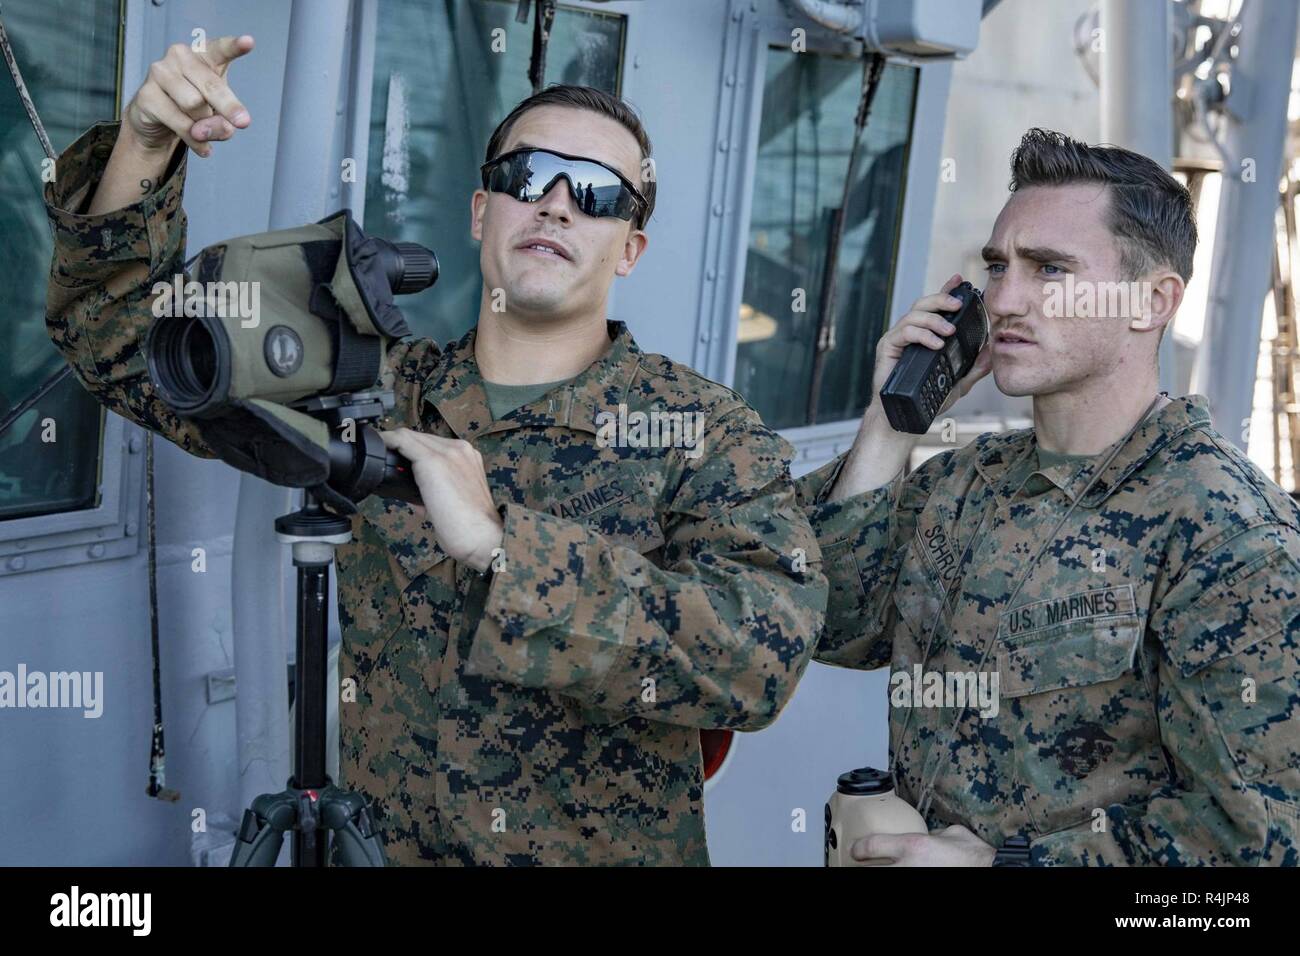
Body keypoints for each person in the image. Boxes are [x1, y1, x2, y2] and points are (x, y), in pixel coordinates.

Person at [44, 35, 827, 865]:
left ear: (628, 247)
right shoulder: (372, 388)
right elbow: (124, 340)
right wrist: (147, 143)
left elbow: (760, 656)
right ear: (482, 211)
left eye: (597, 193)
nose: (557, 205)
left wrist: (504, 550)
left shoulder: (702, 433)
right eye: (527, 177)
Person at [798, 128, 1300, 866]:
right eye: (998, 266)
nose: (1003, 299)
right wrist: (889, 426)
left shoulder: (1229, 534)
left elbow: (1257, 839)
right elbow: (834, 624)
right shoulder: (967, 482)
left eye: (1050, 270)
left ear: (1151, 301)